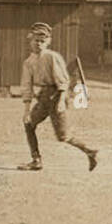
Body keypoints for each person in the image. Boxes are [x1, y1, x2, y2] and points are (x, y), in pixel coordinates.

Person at [18, 22, 99, 172]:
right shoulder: (28, 62)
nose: (39, 44)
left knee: (63, 136)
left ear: (48, 42)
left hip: (56, 97)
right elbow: (27, 87)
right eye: (36, 40)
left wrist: (61, 101)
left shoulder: (52, 57)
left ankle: (90, 151)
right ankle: (36, 160)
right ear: (31, 41)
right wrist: (26, 110)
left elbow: (63, 82)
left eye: (43, 41)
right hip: (42, 98)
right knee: (29, 124)